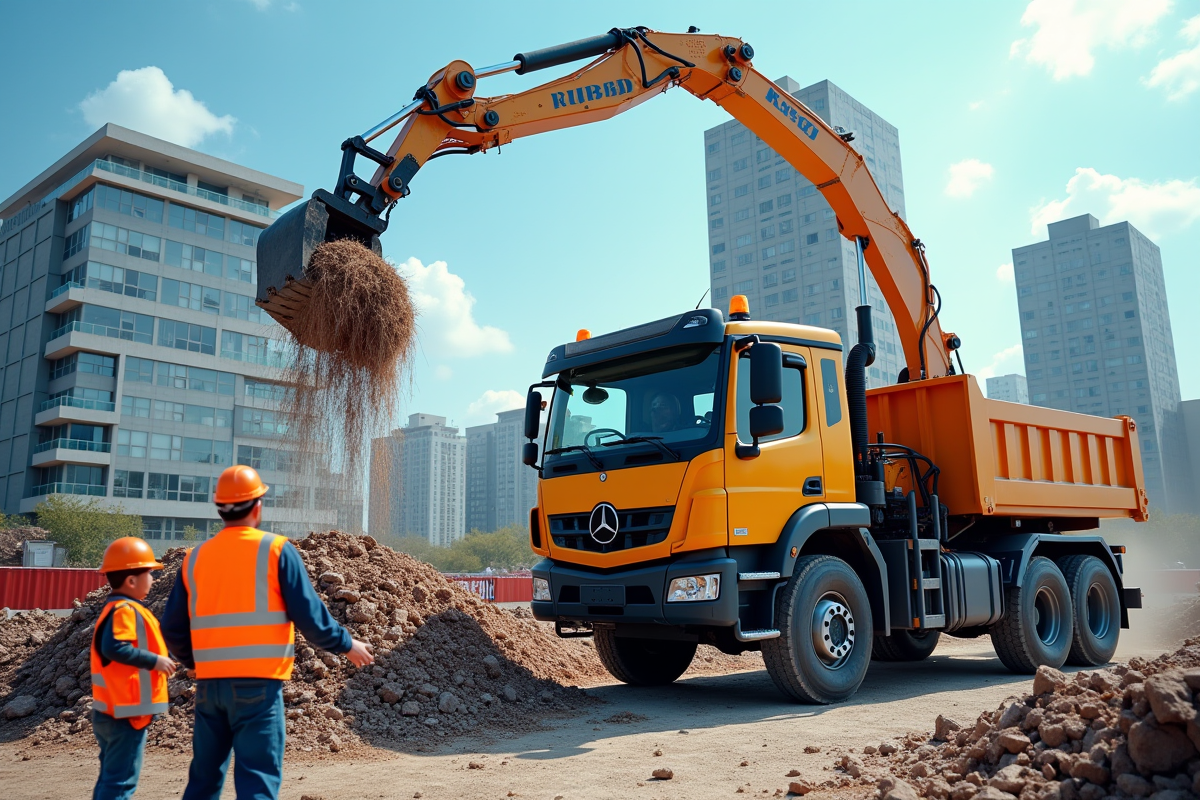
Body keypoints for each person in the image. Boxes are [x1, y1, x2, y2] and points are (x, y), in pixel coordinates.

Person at [161, 465, 375, 800]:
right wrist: (347, 644)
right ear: (258, 505)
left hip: (210, 688)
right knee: (257, 781)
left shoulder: (194, 559)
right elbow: (310, 618)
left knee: (203, 780)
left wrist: (192, 661)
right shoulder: (276, 551)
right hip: (257, 688)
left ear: (219, 509)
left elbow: (171, 627)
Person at [90, 537, 176, 800]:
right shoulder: (124, 610)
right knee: (120, 783)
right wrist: (155, 661)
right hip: (125, 712)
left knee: (110, 778)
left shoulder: (116, 608)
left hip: (112, 709)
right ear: (131, 581)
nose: (153, 579)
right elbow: (113, 647)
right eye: (149, 573)